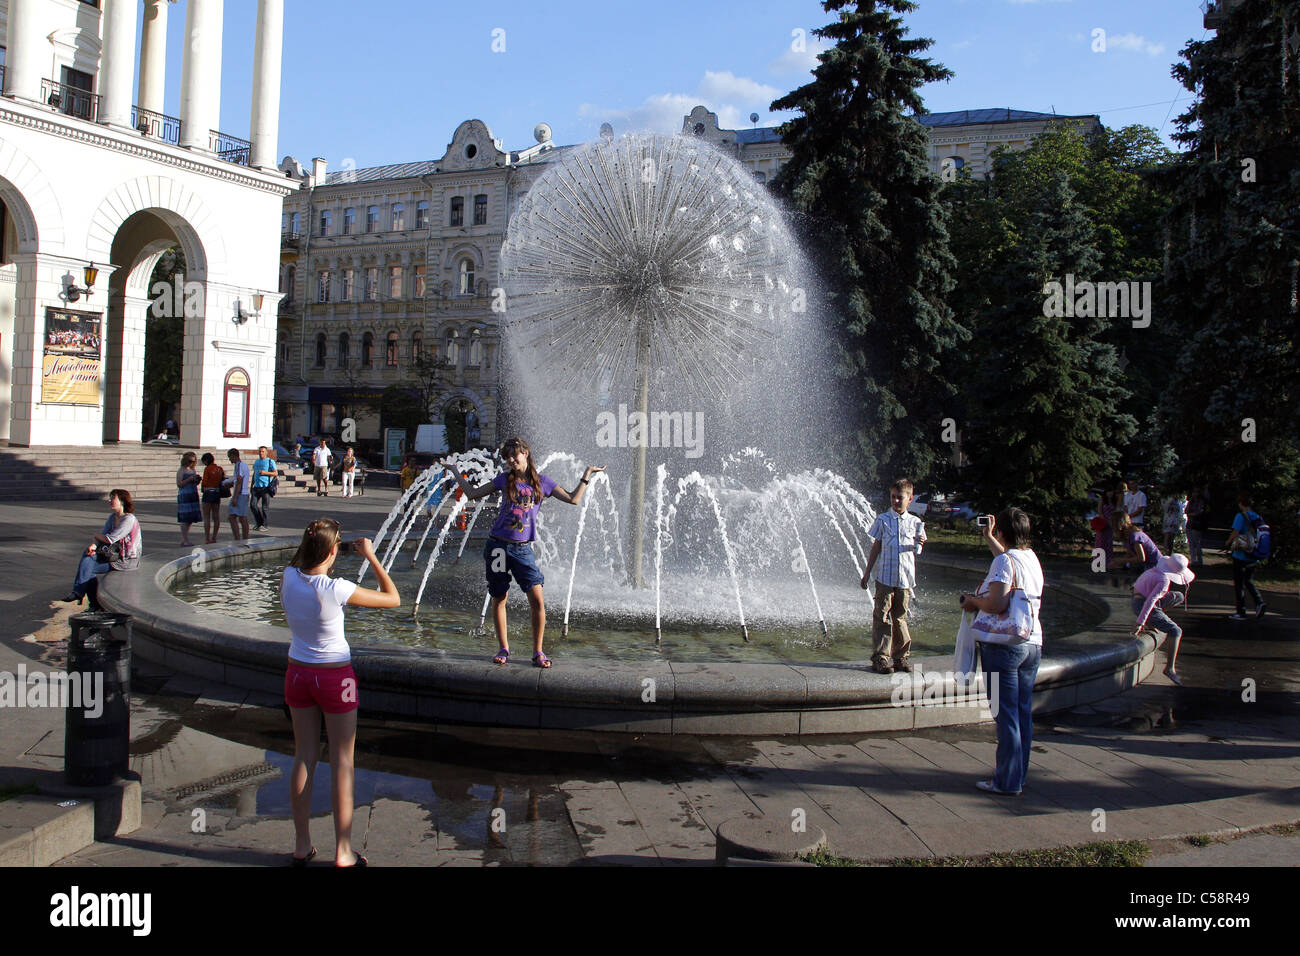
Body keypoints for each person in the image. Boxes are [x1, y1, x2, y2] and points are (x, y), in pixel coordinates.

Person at [281, 519, 400, 867]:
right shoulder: (337, 588)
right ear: (334, 552)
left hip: (298, 673)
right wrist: (372, 557)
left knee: (304, 755)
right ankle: (343, 851)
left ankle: (302, 846)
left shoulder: (288, 578)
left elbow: (299, 561)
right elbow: (392, 599)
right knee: (342, 761)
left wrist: (315, 541)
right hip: (335, 678)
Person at [447, 437, 605, 668]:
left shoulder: (543, 483)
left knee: (537, 600)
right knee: (499, 597)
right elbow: (472, 494)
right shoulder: (504, 480)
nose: (511, 460)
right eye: (508, 457)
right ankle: (503, 648)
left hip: (521, 550)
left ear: (526, 453)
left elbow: (573, 499)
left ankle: (538, 652)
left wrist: (587, 474)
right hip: (497, 547)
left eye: (514, 455)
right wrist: (455, 472)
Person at [958, 508, 1044, 796]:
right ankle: (1018, 775)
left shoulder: (1005, 562)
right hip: (1032, 643)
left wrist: (972, 602)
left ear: (1004, 532)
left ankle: (1006, 782)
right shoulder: (1030, 558)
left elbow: (996, 604)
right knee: (1021, 713)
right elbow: (1008, 563)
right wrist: (989, 537)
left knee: (1005, 715)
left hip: (1004, 646)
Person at [860, 478, 926, 674]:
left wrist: (920, 541)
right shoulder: (883, 520)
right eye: (893, 497)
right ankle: (881, 658)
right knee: (881, 617)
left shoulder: (916, 523)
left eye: (900, 498)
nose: (896, 501)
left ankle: (901, 658)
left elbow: (918, 548)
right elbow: (876, 547)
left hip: (905, 580)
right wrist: (867, 572)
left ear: (910, 499)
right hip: (885, 579)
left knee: (899, 618)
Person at [63, 489, 142, 611]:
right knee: (88, 557)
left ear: (122, 501)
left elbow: (110, 538)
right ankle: (88, 600)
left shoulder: (129, 519)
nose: (109, 500)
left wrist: (96, 536)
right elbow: (103, 535)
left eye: (112, 498)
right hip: (112, 556)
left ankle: (87, 599)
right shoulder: (112, 518)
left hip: (126, 561)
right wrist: (93, 546)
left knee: (88, 568)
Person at [1132, 553, 1195, 686]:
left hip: (1137, 599)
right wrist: (1140, 623)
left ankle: (1155, 618)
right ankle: (1170, 668)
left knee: (1178, 596)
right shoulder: (1164, 581)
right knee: (1176, 631)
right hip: (1142, 604)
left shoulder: (1154, 571)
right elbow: (1150, 601)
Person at [1224, 495, 1266, 620]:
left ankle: (1241, 611)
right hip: (1253, 553)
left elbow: (1236, 532)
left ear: (1241, 503)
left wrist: (1227, 543)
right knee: (1249, 580)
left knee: (1239, 583)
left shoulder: (1240, 516)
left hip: (1241, 553)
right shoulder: (1257, 516)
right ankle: (1259, 601)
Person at [226, 448, 252, 542]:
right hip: (244, 493)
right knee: (241, 517)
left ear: (234, 456)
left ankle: (239, 538)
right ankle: (243, 538)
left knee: (234, 517)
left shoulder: (239, 465)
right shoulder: (243, 465)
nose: (229, 459)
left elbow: (240, 481)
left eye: (230, 457)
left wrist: (235, 497)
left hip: (241, 494)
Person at [176, 452, 201, 546]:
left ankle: (184, 538)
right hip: (184, 494)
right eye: (190, 461)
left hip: (193, 493)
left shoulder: (192, 470)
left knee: (190, 518)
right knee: (184, 518)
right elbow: (179, 484)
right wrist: (189, 479)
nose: (191, 463)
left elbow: (194, 483)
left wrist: (196, 480)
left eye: (193, 461)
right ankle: (185, 539)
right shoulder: (181, 470)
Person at [251, 446, 278, 531]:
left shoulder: (270, 461)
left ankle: (265, 525)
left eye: (263, 451)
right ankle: (259, 523)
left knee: (264, 507)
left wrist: (265, 473)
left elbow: (275, 473)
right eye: (260, 451)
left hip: (265, 487)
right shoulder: (256, 462)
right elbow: (254, 474)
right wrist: (252, 485)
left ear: (266, 453)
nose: (261, 453)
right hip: (256, 487)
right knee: (253, 505)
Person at [200, 452, 225, 544]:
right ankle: (214, 537)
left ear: (206, 461)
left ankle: (207, 538)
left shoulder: (208, 469)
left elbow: (205, 483)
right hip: (217, 493)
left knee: (207, 517)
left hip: (208, 493)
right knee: (216, 516)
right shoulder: (219, 469)